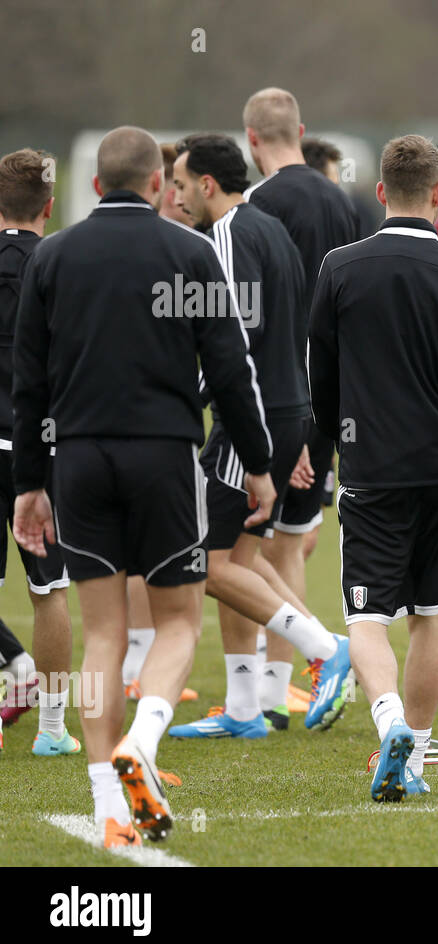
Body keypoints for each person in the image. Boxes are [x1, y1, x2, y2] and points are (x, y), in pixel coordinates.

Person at [11, 126, 274, 846]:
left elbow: (27, 385)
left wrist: (28, 484)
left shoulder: (54, 255)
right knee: (179, 621)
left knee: (103, 632)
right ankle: (145, 742)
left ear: (95, 187)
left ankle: (106, 801)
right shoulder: (189, 251)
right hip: (164, 457)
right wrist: (255, 463)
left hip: (79, 461)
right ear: (158, 186)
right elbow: (230, 369)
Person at [308, 134, 438, 802]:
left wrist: (319, 457)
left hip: (371, 465)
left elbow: (322, 380)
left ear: (378, 194)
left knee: (366, 617)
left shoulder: (339, 269)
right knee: (429, 611)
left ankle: (389, 720)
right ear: (437, 194)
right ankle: (418, 758)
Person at [165, 133, 351, 738]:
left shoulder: (224, 239)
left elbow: (229, 346)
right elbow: (289, 336)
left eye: (183, 183)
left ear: (208, 185)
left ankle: (326, 649)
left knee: (207, 563)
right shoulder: (269, 229)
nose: (177, 194)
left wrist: (211, 420)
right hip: (285, 412)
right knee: (241, 557)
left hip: (253, 418)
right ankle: (245, 710)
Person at [242, 88, 361, 718]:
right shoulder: (341, 202)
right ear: (301, 129)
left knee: (238, 547)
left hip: (278, 397)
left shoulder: (257, 205)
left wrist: (282, 427)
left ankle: (261, 691)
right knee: (287, 542)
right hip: (332, 398)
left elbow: (265, 318)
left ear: (251, 139)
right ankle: (273, 693)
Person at [0, 147, 77, 757]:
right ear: (49, 206)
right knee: (49, 591)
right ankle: (52, 729)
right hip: (39, 449)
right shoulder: (60, 265)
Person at [121, 142, 199, 705]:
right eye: (171, 183)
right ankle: (141, 673)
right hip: (162, 436)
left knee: (128, 566)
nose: (178, 194)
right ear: (158, 185)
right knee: (163, 580)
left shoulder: (69, 253)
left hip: (90, 438)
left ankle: (106, 778)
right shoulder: (181, 252)